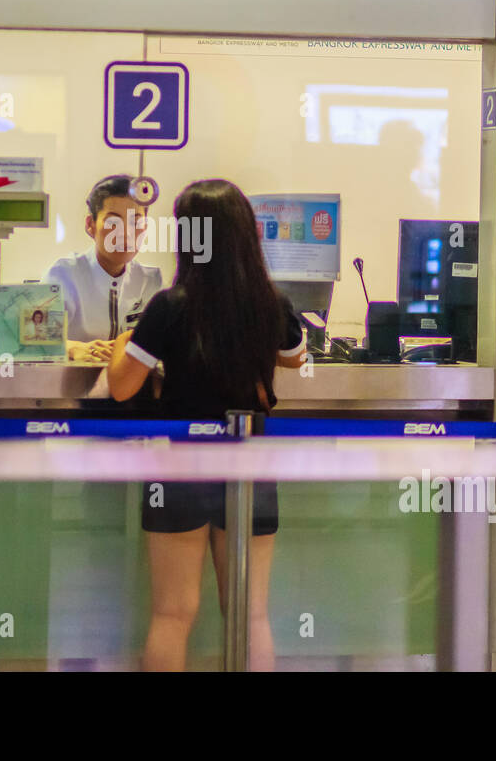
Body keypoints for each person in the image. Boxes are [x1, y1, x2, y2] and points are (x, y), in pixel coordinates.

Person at [107, 179, 306, 672]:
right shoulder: (272, 303)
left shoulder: (171, 306)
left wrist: (124, 342)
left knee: (173, 613)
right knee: (250, 614)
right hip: (251, 460)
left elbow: (122, 386)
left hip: (181, 464)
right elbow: (296, 357)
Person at [42, 175, 163, 362]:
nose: (125, 233)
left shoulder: (150, 280)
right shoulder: (64, 274)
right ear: (90, 225)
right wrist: (73, 348)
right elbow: (36, 338)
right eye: (113, 222)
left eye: (135, 222)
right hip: (73, 379)